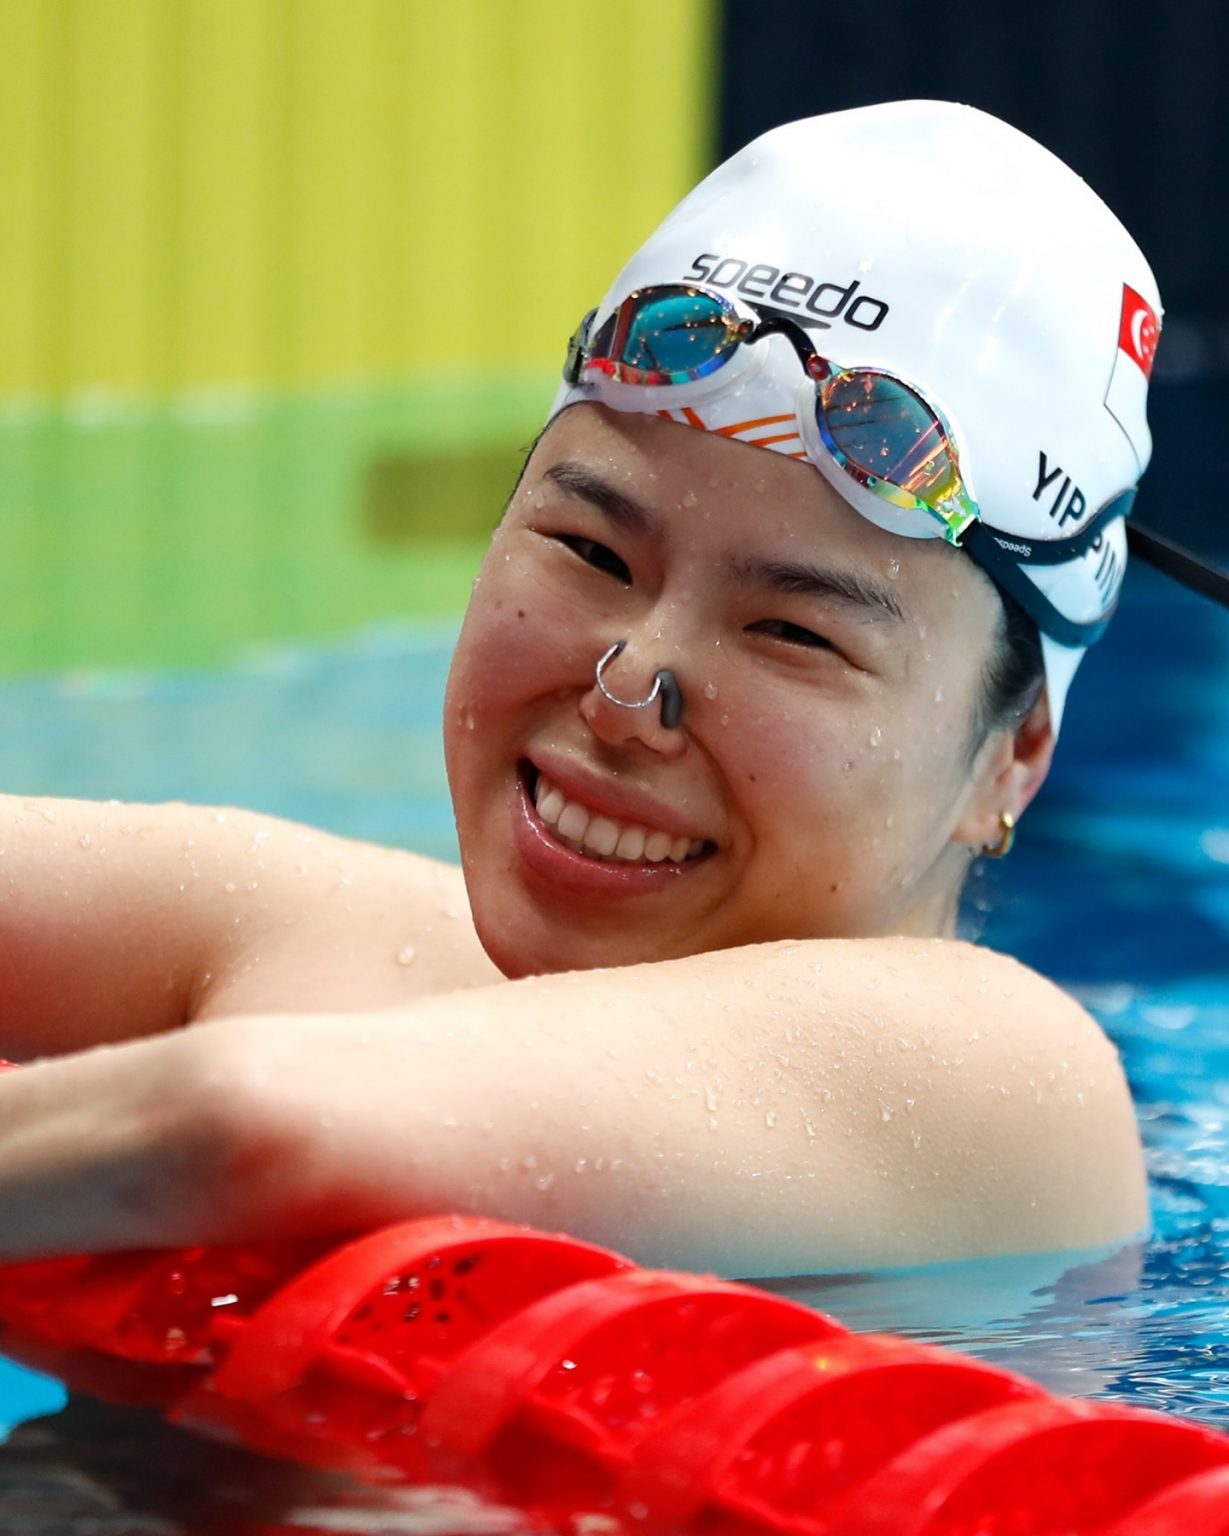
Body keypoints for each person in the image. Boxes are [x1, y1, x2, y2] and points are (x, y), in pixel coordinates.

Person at [0, 100, 1160, 1278]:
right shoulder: (321, 936)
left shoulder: (1000, 1076)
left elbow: (239, 1132)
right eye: (590, 553)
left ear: (1010, 754)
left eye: (789, 632)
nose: (626, 685)